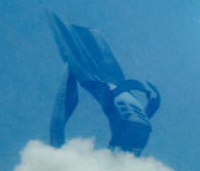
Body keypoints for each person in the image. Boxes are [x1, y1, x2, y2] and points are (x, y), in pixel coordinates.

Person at [47, 12, 160, 155]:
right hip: (138, 129)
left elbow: (65, 104)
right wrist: (151, 96)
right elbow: (148, 109)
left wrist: (71, 70)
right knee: (121, 158)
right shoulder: (124, 97)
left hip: (132, 127)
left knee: (117, 158)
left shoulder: (113, 95)